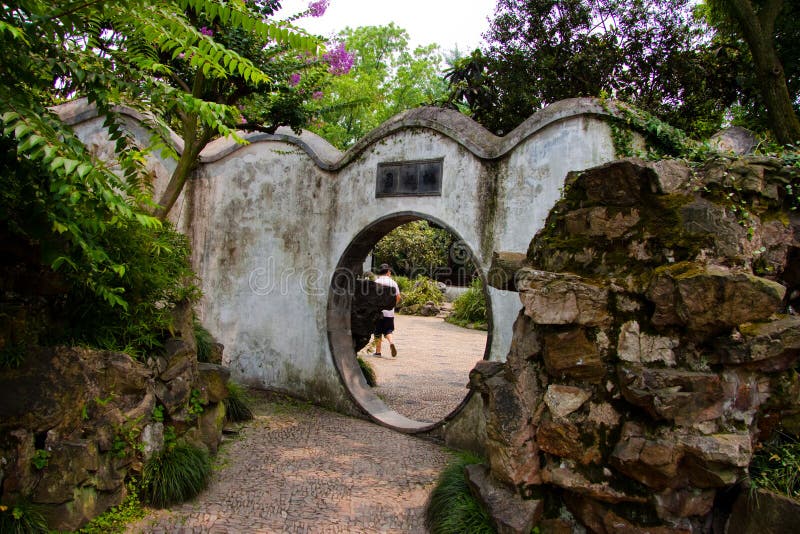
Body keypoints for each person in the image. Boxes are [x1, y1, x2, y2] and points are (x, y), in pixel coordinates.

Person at [373, 263, 401, 357]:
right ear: (388, 272)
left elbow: (373, 297)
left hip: (378, 311)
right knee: (388, 330)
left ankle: (378, 352)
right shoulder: (393, 283)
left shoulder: (376, 282)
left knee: (377, 331)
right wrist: (393, 306)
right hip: (389, 312)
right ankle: (391, 342)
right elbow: (398, 297)